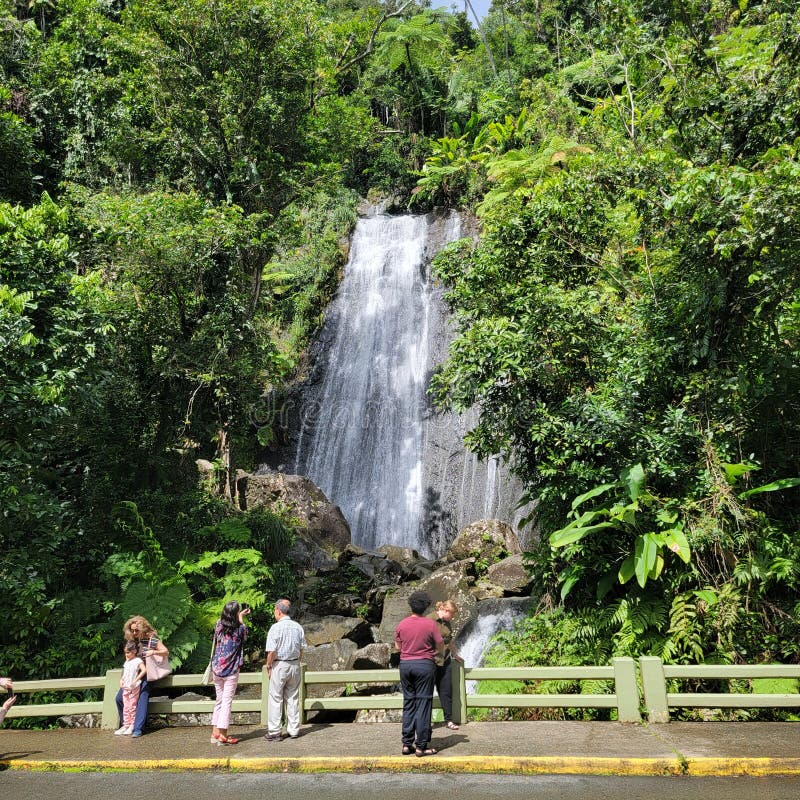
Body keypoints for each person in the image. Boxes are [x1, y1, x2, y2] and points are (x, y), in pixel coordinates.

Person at [395, 590, 444, 757]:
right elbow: (440, 644)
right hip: (424, 665)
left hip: (405, 665)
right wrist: (435, 653)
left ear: (411, 606)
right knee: (423, 703)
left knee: (409, 702)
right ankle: (421, 746)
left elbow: (398, 647)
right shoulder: (430, 624)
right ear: (425, 607)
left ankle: (406, 744)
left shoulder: (402, 624)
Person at [114, 615, 169, 737]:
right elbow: (128, 661)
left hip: (146, 674)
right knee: (119, 698)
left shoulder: (151, 639)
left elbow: (165, 651)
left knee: (142, 697)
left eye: (136, 630)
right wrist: (122, 678)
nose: (134, 632)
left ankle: (138, 728)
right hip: (132, 675)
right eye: (132, 630)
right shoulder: (132, 641)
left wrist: (153, 652)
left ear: (143, 629)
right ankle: (127, 724)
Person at [264, 598, 306, 742]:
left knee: (276, 697)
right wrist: (297, 662)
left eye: (275, 610)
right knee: (292, 696)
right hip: (294, 663)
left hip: (279, 664)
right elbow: (302, 649)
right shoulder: (297, 627)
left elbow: (271, 651)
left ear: (278, 611)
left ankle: (275, 731)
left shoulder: (275, 628)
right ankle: (293, 730)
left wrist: (269, 665)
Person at [210, 600, 251, 746]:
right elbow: (244, 637)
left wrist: (237, 616)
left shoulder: (218, 624)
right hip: (231, 670)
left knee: (219, 700)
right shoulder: (240, 629)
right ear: (236, 614)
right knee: (227, 702)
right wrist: (241, 619)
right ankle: (223, 735)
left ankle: (215, 732)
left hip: (217, 669)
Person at [432, 599, 464, 730]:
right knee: (427, 692)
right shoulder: (429, 620)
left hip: (445, 661)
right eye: (452, 614)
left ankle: (449, 720)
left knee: (446, 691)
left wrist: (455, 654)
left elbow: (449, 640)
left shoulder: (447, 623)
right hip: (431, 661)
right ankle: (424, 722)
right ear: (445, 610)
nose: (453, 617)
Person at [116, 641, 146, 735]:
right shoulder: (127, 662)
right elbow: (125, 673)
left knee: (132, 706)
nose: (126, 655)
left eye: (128, 652)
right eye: (125, 653)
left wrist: (136, 680)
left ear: (134, 651)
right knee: (126, 706)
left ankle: (132, 725)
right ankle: (126, 724)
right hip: (126, 686)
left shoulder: (138, 661)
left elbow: (144, 670)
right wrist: (121, 680)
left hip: (134, 686)